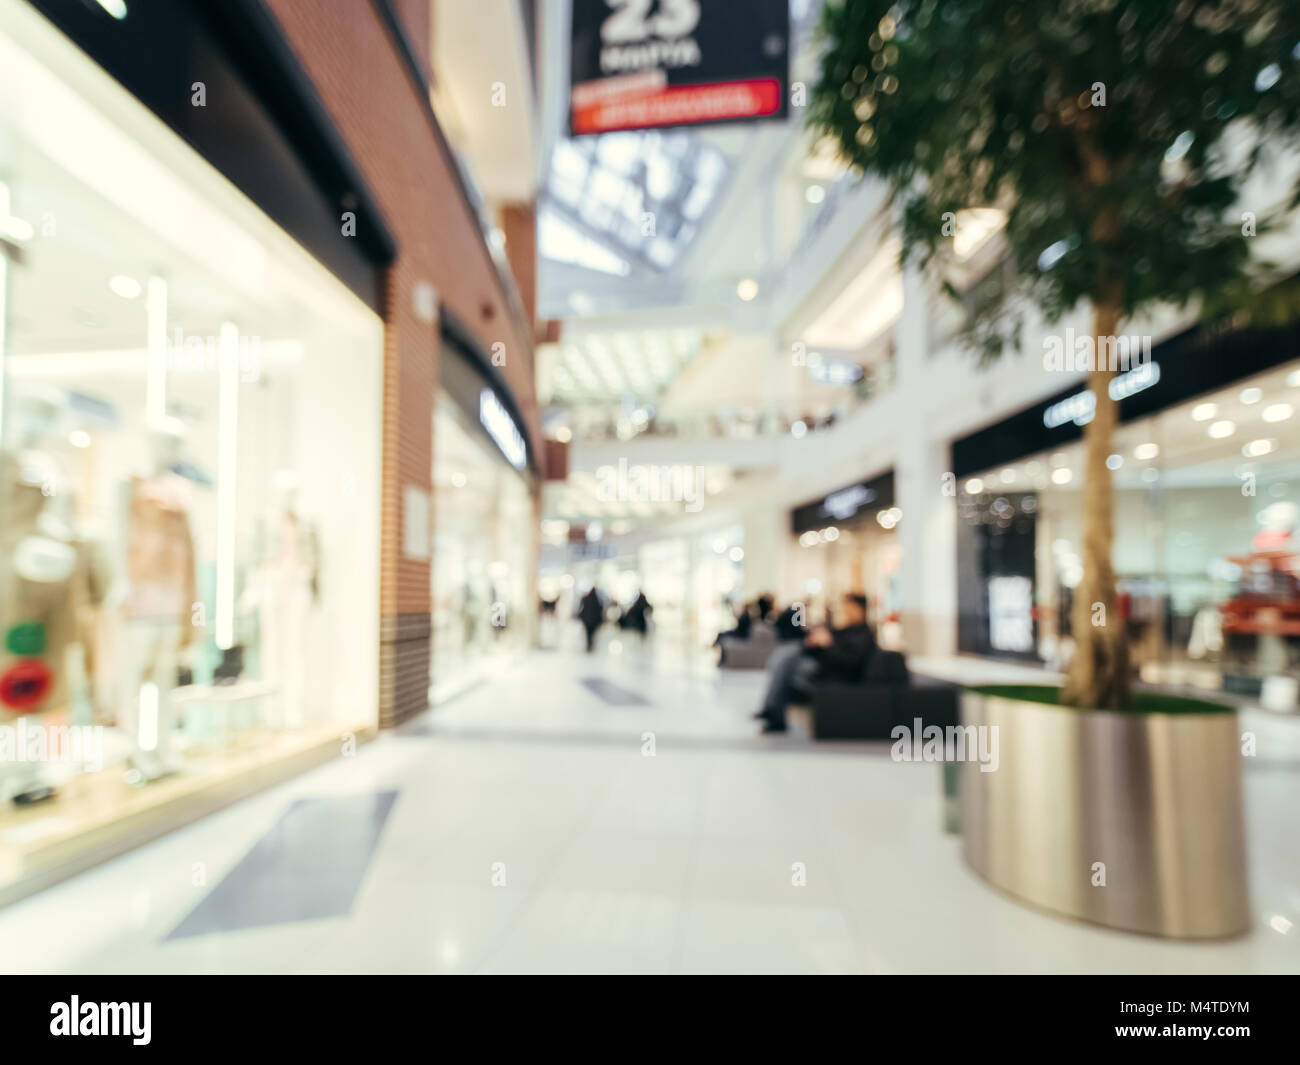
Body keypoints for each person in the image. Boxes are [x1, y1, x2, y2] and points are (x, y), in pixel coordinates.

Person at [754, 593, 877, 734]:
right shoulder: (846, 630)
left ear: (860, 610)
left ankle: (773, 712)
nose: (846, 613)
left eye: (849, 609)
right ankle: (772, 711)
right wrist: (814, 643)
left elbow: (848, 661)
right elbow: (828, 647)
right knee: (785, 660)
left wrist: (828, 644)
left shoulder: (863, 634)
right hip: (825, 666)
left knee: (786, 665)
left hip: (834, 673)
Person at [576, 586, 605, 653]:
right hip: (594, 621)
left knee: (588, 634)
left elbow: (581, 607)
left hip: (587, 620)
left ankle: (589, 645)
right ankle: (590, 645)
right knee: (592, 634)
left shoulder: (586, 598)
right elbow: (601, 609)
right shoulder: (597, 600)